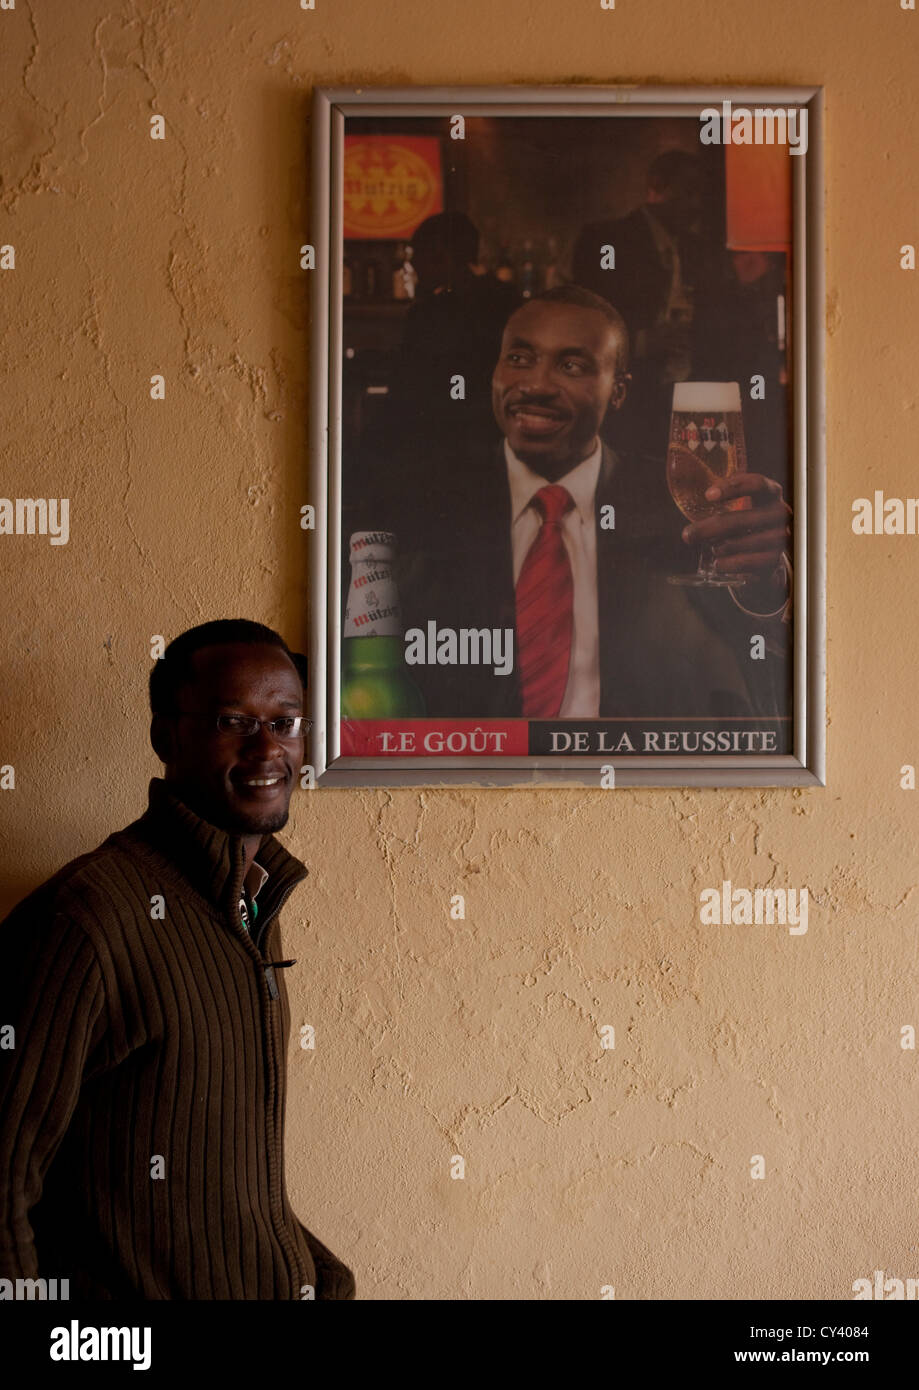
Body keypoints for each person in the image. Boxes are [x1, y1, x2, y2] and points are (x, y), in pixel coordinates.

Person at [0, 619, 355, 1300]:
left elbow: (223, 1178)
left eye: (284, 723)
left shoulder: (253, 903)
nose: (267, 748)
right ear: (167, 737)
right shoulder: (88, 917)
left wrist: (320, 1276)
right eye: (233, 721)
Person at [389, 285, 792, 724]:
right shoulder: (425, 504)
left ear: (618, 391)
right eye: (519, 358)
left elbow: (758, 658)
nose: (536, 385)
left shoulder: (679, 505)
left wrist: (769, 580)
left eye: (572, 366)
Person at [572, 149, 719, 458]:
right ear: (657, 185)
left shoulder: (700, 249)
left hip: (693, 398)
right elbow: (585, 320)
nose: (696, 204)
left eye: (700, 194)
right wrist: (642, 342)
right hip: (631, 402)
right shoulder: (605, 239)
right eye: (688, 191)